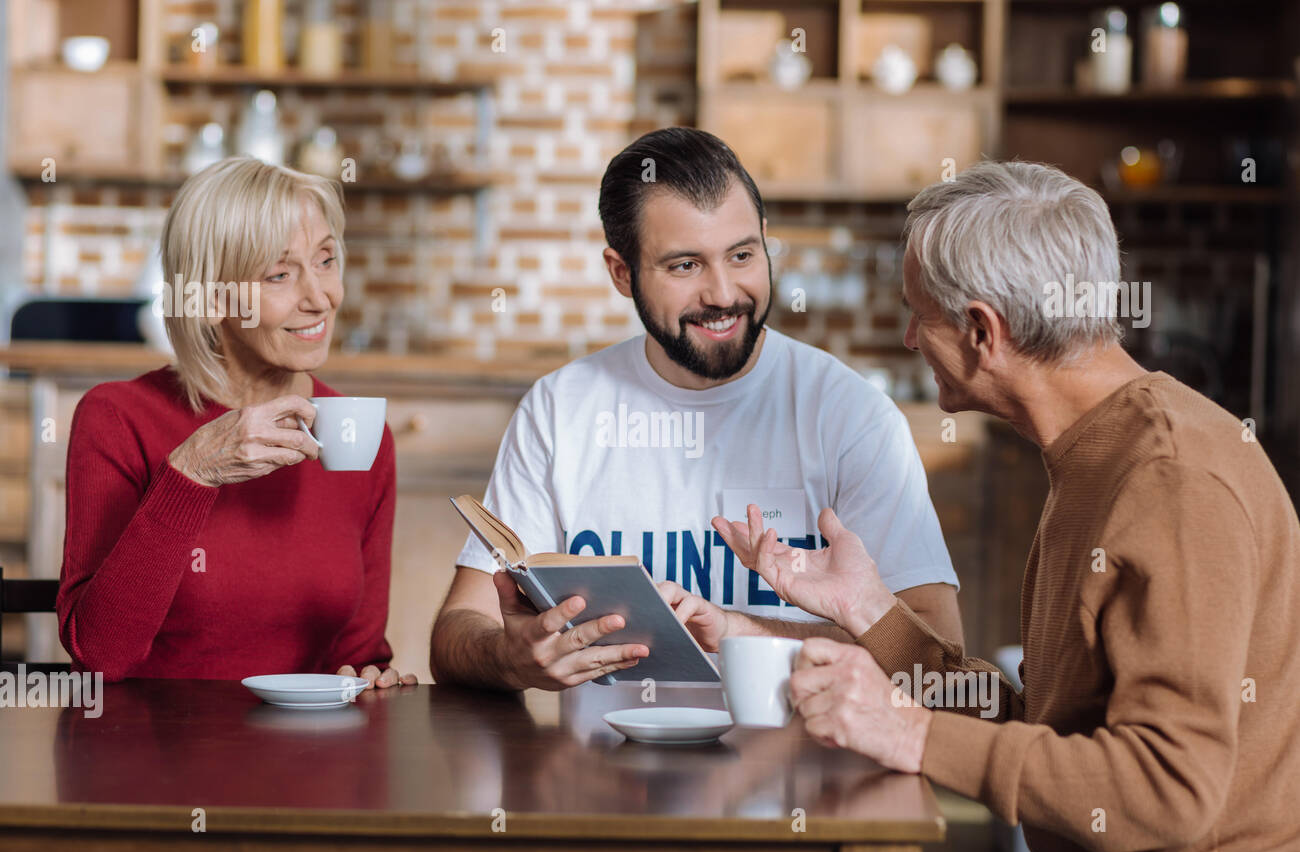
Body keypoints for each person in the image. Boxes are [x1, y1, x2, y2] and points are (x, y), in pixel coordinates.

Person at [713, 160, 1300, 852]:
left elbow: (1164, 792)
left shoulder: (1172, 484)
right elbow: (1048, 735)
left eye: (918, 315)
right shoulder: (1098, 453)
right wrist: (870, 610)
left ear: (981, 331)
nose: (908, 339)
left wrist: (910, 733)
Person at [430, 127, 961, 690]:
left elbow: (938, 658)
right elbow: (456, 635)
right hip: (603, 770)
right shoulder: (560, 410)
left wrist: (740, 632)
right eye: (685, 266)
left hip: (808, 767)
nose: (723, 293)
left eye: (741, 255)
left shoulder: (851, 415)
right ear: (621, 272)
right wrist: (508, 657)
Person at [58, 157, 415, 689]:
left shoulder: (359, 435)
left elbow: (358, 654)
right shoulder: (116, 418)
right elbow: (100, 656)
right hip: (149, 761)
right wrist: (190, 474)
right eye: (279, 274)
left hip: (307, 762)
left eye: (325, 260)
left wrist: (373, 681)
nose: (320, 298)